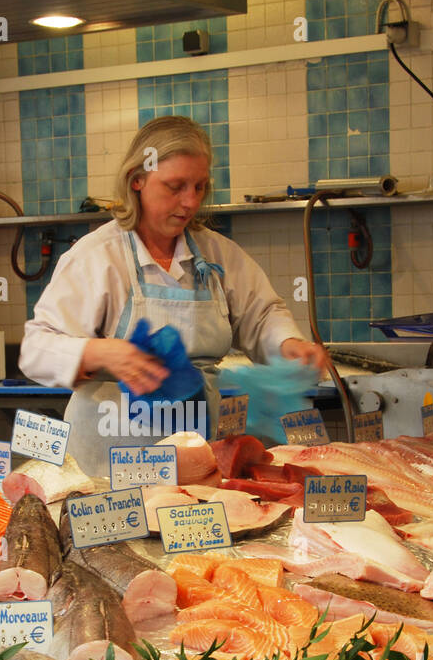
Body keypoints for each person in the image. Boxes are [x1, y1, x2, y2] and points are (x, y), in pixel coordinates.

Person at [19, 116, 325, 476]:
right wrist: (100, 352)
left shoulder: (217, 254)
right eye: (175, 186)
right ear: (137, 181)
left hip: (197, 459)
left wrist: (286, 343)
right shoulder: (98, 256)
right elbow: (36, 349)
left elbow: (262, 315)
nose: (190, 201)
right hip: (108, 465)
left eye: (200, 187)